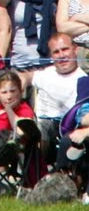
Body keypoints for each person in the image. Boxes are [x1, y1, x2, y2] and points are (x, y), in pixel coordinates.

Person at [31, 34, 84, 164]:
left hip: (67, 126)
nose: (61, 55)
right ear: (51, 56)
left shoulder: (83, 79)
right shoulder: (46, 74)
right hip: (42, 124)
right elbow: (26, 77)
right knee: (30, 128)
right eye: (56, 52)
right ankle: (35, 175)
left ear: (75, 49)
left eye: (65, 49)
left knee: (39, 128)